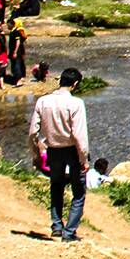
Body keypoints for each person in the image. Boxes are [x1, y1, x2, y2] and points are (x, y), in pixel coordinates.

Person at [29, 68, 91, 242]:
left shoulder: (43, 101)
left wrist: (36, 152)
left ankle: (57, 226)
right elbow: (79, 135)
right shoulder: (76, 103)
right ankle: (69, 232)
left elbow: (33, 132)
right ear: (75, 84)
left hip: (53, 149)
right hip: (72, 150)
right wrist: (84, 158)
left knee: (56, 186)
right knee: (78, 192)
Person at [6, 20, 28, 85]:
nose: (7, 26)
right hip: (12, 51)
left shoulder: (16, 32)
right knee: (14, 64)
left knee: (16, 65)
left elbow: (17, 42)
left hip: (16, 51)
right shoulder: (12, 31)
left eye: (8, 25)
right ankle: (18, 77)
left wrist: (15, 52)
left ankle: (19, 80)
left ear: (12, 24)